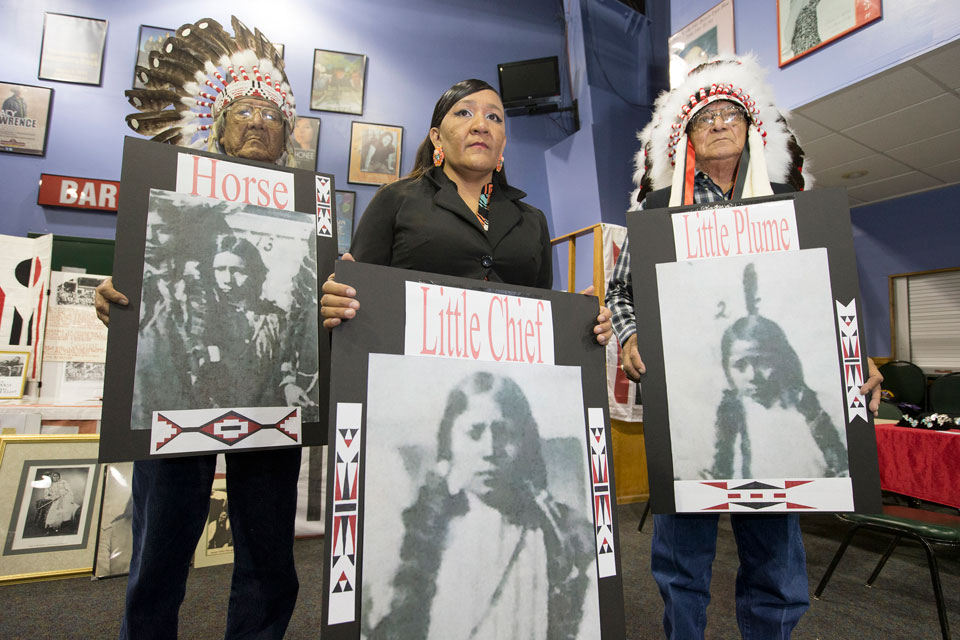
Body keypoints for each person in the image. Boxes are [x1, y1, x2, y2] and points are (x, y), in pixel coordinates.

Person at [606, 55, 884, 639]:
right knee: (680, 564)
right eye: (704, 117)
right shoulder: (657, 212)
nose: (719, 123)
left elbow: (829, 300)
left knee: (776, 568)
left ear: (754, 126)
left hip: (776, 409)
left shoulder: (792, 201)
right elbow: (621, 292)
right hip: (687, 407)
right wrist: (630, 335)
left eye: (732, 113)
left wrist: (855, 361)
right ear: (684, 136)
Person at [320, 78, 612, 635]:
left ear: (503, 149)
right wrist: (336, 297)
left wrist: (583, 328)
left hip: (506, 389)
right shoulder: (396, 202)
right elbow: (357, 294)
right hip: (418, 382)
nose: (482, 123)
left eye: (496, 118)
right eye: (465, 113)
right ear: (437, 136)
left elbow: (545, 317)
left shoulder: (532, 221)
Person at [94, 17, 303, 639]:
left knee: (268, 552)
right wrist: (115, 300)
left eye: (273, 115)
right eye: (245, 110)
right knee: (160, 548)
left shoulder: (307, 210)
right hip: (174, 397)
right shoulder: (173, 201)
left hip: (265, 403)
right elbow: (139, 285)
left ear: (288, 134)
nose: (259, 122)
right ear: (216, 122)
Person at [367, 371, 594, 639]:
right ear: (450, 441)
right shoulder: (419, 533)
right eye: (474, 432)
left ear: (525, 442)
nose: (489, 449)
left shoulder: (564, 536)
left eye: (504, 433)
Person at [712, 263, 848, 479]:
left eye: (761, 362)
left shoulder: (814, 411)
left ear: (781, 360)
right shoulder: (728, 415)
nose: (752, 376)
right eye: (740, 365)